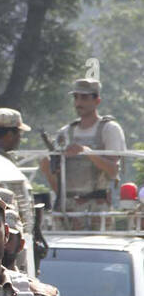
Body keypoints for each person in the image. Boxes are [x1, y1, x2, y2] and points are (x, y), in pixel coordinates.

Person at [39, 78, 127, 223]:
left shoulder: (109, 129)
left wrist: (87, 152)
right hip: (67, 208)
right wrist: (48, 167)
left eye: (84, 97)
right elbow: (57, 180)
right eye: (76, 97)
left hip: (97, 208)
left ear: (97, 100)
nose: (79, 102)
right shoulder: (66, 132)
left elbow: (113, 171)